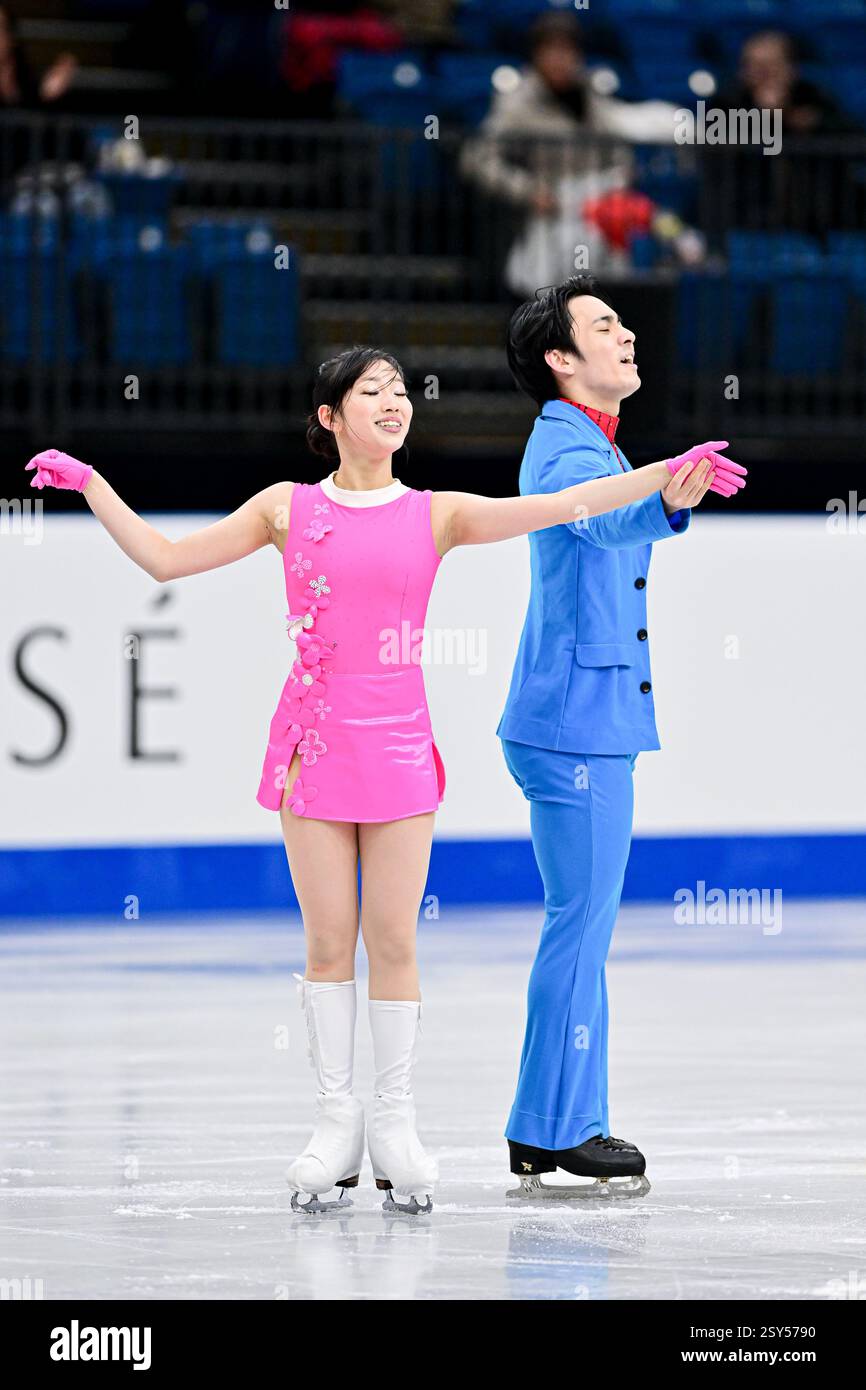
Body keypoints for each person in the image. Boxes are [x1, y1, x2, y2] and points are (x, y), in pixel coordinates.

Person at [24, 345, 738, 1215]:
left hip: (400, 748)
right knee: (329, 946)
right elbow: (169, 561)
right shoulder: (287, 509)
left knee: (393, 942)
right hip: (313, 747)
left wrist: (670, 471)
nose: (394, 404)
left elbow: (565, 502)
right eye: (372, 393)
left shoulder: (437, 514)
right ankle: (338, 1128)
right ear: (330, 418)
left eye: (400, 391)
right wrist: (94, 483)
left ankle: (395, 1124)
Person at [496, 275, 746, 1199]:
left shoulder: (590, 443)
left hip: (583, 721)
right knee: (580, 926)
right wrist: (662, 492)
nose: (627, 334)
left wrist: (668, 496)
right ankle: (557, 1127)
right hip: (574, 728)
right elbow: (593, 517)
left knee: (583, 927)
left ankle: (554, 1124)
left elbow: (617, 511)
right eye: (604, 326)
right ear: (562, 360)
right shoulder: (563, 451)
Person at [459, 11, 696, 293]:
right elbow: (476, 157)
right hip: (556, 211)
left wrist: (623, 169)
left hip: (603, 207)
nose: (560, 60)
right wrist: (528, 190)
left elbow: (613, 140)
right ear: (536, 55)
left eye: (567, 51)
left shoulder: (590, 93)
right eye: (551, 51)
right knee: (546, 292)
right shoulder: (518, 103)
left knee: (636, 260)